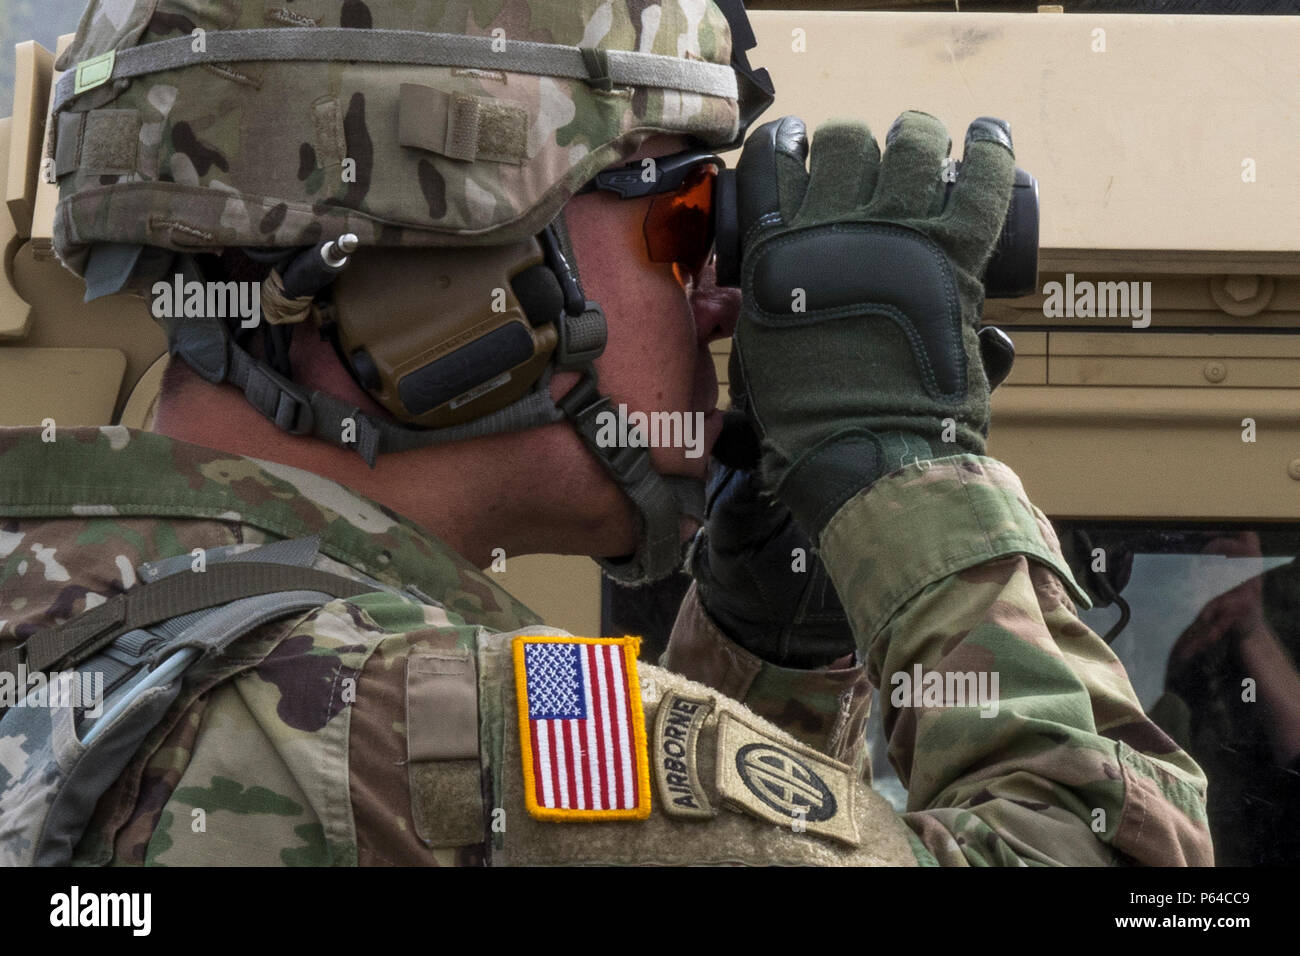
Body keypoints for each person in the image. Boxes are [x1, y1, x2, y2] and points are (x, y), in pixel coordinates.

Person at [0, 0, 1210, 866]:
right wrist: (917, 471)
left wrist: (765, 638)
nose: (723, 291)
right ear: (435, 283)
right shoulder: (451, 726)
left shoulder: (75, 622)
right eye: (680, 210)